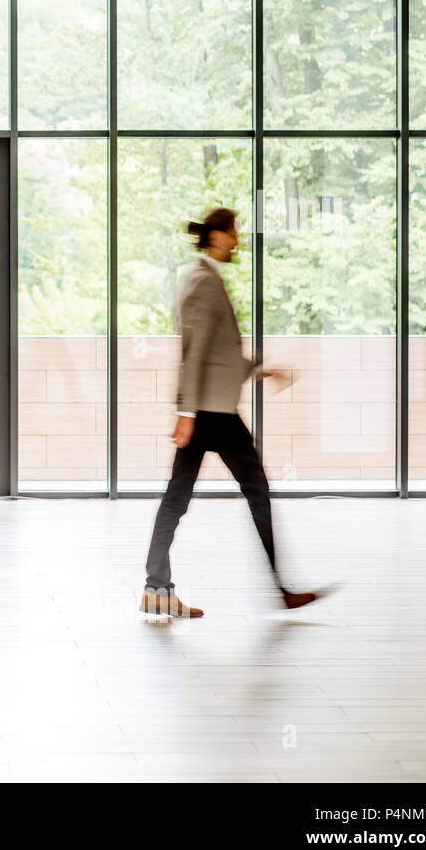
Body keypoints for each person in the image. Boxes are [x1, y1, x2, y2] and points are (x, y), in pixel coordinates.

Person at [142, 207, 331, 618]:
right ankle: (281, 591)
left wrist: (261, 368)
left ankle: (157, 588)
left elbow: (218, 354)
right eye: (233, 233)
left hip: (210, 411)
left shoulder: (207, 280)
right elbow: (192, 354)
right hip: (211, 415)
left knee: (179, 499)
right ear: (217, 235)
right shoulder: (201, 281)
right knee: (254, 493)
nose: (238, 241)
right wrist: (185, 412)